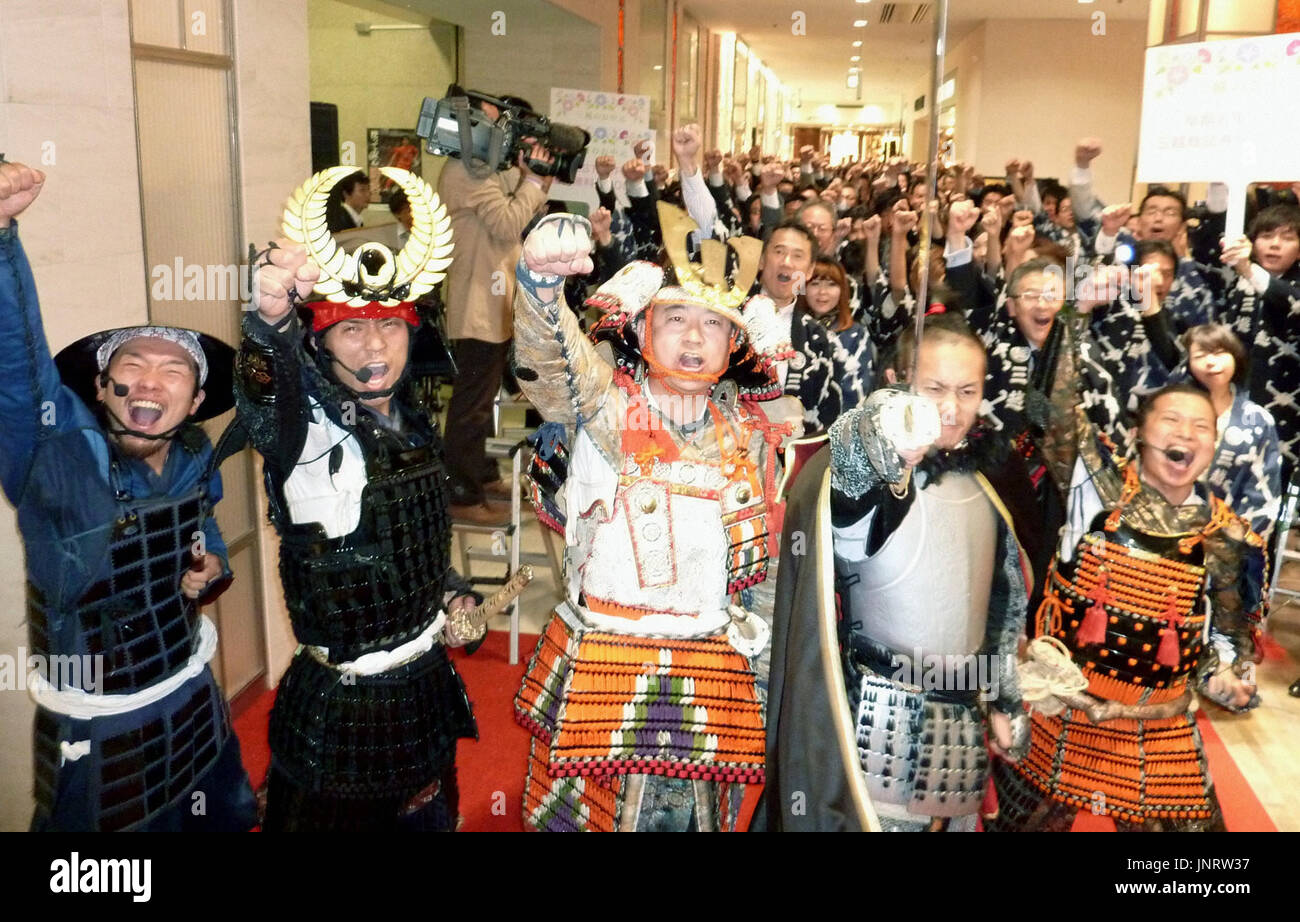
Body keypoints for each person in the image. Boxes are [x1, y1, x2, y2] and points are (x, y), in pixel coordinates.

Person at [510, 209, 802, 832]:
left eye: (713, 325)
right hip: (605, 669)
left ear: (735, 344)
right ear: (642, 328)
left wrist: (766, 669)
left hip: (711, 676)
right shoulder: (602, 404)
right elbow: (550, 360)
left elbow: (766, 570)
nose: (693, 339)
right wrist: (538, 286)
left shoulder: (749, 437)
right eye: (675, 319)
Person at [0, 159, 256, 831]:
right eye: (130, 366)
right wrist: (1, 236)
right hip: (105, 736)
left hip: (197, 700)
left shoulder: (197, 455)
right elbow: (18, 366)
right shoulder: (53, 461)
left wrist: (215, 567)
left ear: (196, 400)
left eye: (172, 370)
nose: (149, 382)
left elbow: (201, 532)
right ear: (101, 387)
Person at [234, 167, 479, 831]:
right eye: (351, 330)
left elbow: (410, 537)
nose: (377, 346)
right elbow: (264, 403)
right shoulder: (305, 431)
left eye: (391, 327)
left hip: (425, 692)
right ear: (319, 343)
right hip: (340, 718)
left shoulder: (413, 421)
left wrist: (453, 590)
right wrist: (267, 324)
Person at [987, 311, 1265, 832]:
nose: (1186, 433)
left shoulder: (1228, 538)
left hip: (1156, 725)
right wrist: (1070, 312)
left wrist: (1224, 675)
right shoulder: (1097, 488)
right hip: (1062, 708)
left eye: (1201, 426)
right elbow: (1055, 413)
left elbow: (1228, 639)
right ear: (1139, 433)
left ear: (1215, 443)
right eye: (1172, 420)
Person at [764, 312, 1042, 831]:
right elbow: (849, 516)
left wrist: (1003, 698)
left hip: (961, 726)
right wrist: (875, 449)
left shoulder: (996, 477)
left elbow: (1003, 602)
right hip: (871, 718)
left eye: (967, 390)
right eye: (934, 388)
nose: (952, 408)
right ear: (895, 381)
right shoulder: (867, 465)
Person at [437, 91, 552, 523]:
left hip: (492, 300)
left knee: (482, 400)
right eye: (489, 120)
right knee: (471, 404)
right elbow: (507, 223)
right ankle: (461, 495)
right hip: (475, 305)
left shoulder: (481, 168)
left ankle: (482, 476)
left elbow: (506, 200)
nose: (497, 129)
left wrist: (528, 174)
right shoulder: (465, 169)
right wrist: (536, 184)